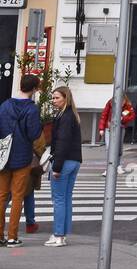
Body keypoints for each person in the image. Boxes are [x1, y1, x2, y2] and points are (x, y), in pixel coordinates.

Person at [0, 72, 44, 247]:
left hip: (4, 157)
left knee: (2, 196)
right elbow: (34, 134)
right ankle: (12, 236)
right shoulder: (32, 109)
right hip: (22, 157)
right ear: (34, 89)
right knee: (17, 196)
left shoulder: (5, 105)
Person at [45, 85, 82, 248]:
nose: (53, 101)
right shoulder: (72, 115)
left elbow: (62, 142)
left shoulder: (64, 117)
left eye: (56, 98)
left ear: (65, 98)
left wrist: (57, 167)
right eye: (53, 98)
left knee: (59, 199)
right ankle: (62, 234)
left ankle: (58, 235)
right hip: (74, 161)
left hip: (64, 161)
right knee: (66, 198)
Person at [99, 93, 136, 174]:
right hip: (109, 128)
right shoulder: (110, 103)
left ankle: (118, 165)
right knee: (109, 148)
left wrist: (123, 118)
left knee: (119, 148)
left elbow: (132, 115)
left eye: (122, 102)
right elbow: (104, 115)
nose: (121, 104)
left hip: (120, 128)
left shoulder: (128, 105)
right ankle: (109, 167)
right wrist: (101, 128)